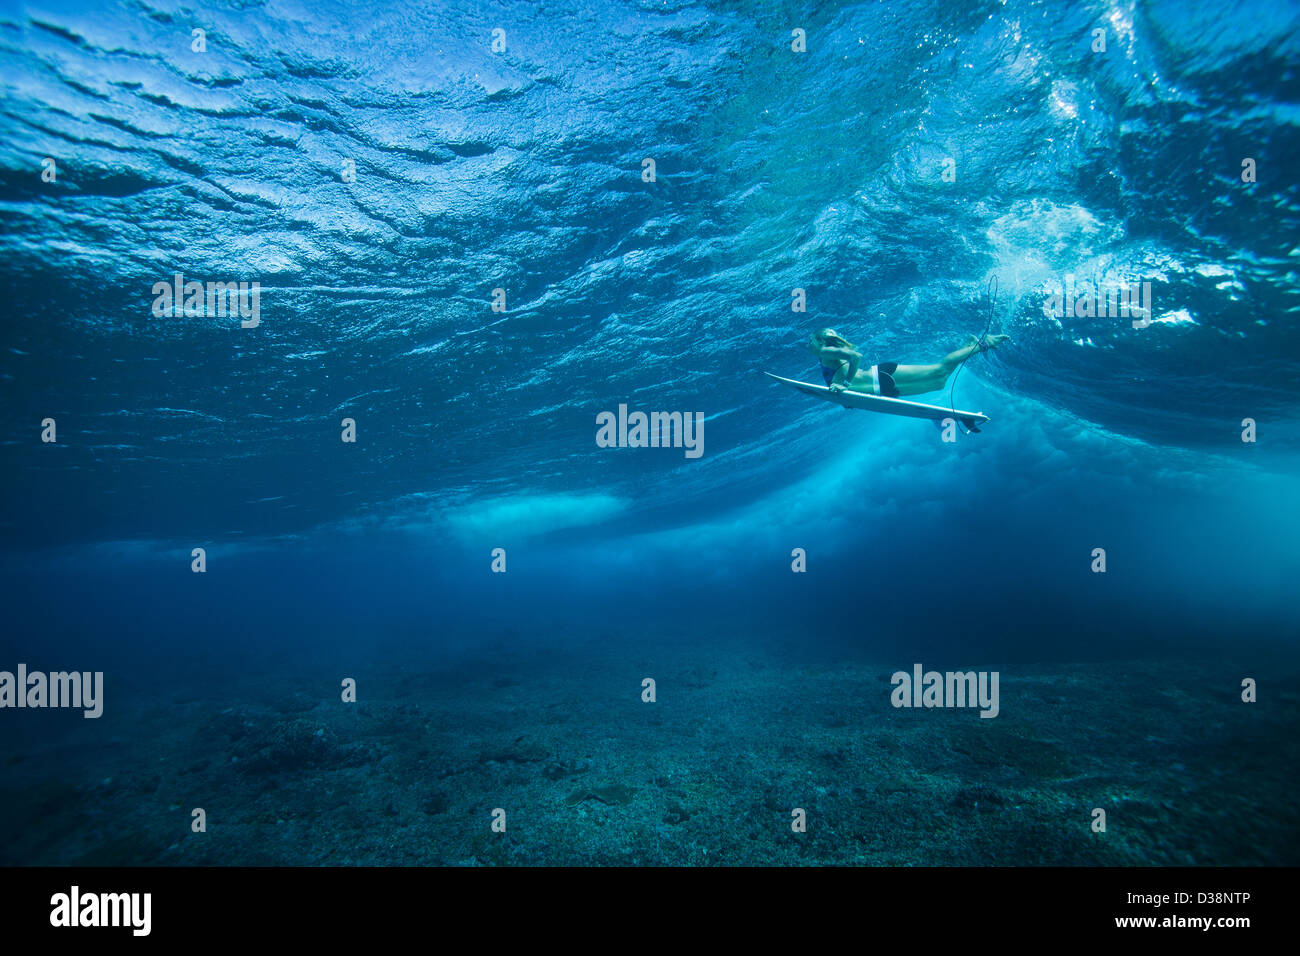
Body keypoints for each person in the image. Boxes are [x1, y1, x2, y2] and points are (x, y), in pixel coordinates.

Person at [807, 328, 1009, 397]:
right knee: (939, 382)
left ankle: (984, 343)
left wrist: (844, 385)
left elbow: (856, 357)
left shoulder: (825, 351)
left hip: (881, 377)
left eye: (811, 340)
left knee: (939, 369)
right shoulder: (825, 354)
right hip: (881, 389)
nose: (809, 344)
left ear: (821, 341)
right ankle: (968, 346)